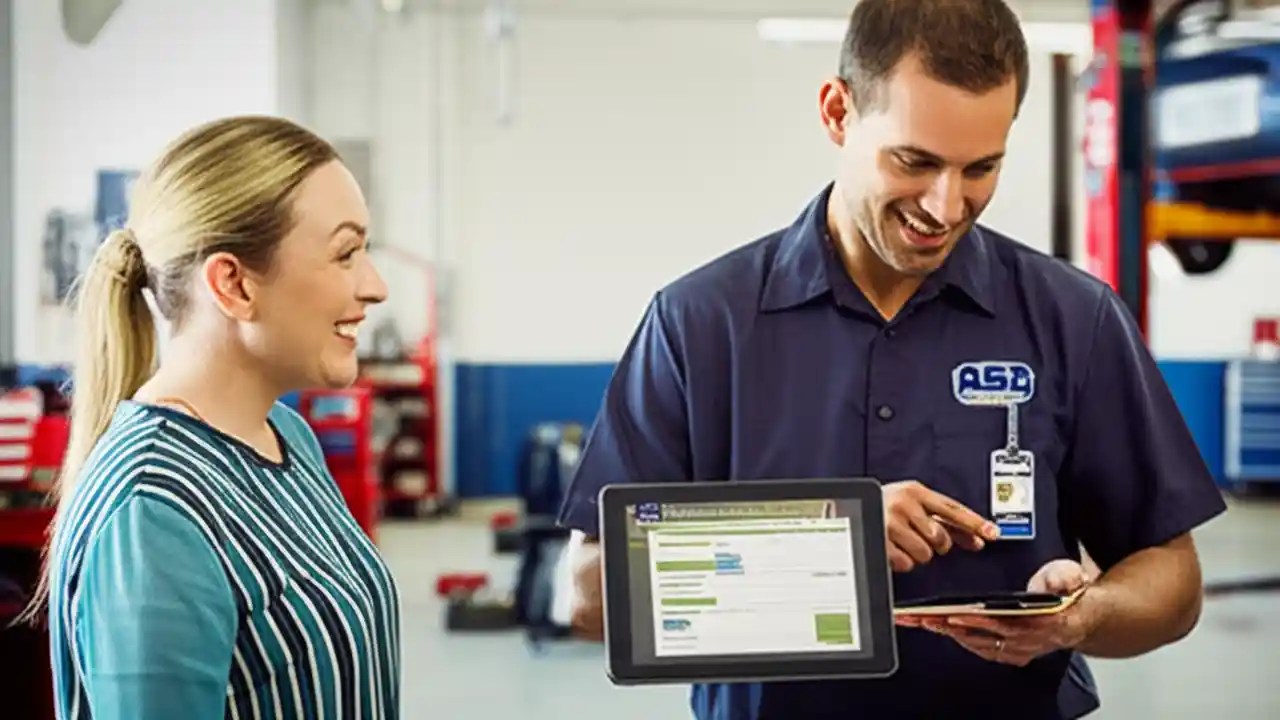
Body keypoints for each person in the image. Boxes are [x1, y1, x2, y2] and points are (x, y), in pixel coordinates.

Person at [556, 1, 1227, 718]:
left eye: (981, 168)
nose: (945, 206)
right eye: (915, 162)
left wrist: (1083, 617)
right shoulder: (700, 324)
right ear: (837, 113)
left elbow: (1173, 581)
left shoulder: (1074, 320)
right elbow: (589, 595)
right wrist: (830, 538)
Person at [24, 115, 399, 719]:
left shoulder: (288, 438)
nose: (375, 287)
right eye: (345, 253)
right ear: (233, 284)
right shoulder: (152, 513)